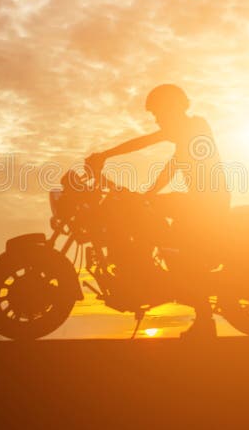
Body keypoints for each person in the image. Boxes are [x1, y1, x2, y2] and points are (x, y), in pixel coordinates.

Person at [86, 84, 230, 339]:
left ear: (173, 107)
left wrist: (106, 155)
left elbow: (147, 141)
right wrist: (148, 195)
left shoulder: (195, 126)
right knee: (142, 211)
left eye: (158, 112)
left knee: (180, 256)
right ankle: (141, 269)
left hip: (206, 203)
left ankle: (196, 312)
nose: (156, 118)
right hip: (197, 201)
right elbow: (173, 166)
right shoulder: (186, 136)